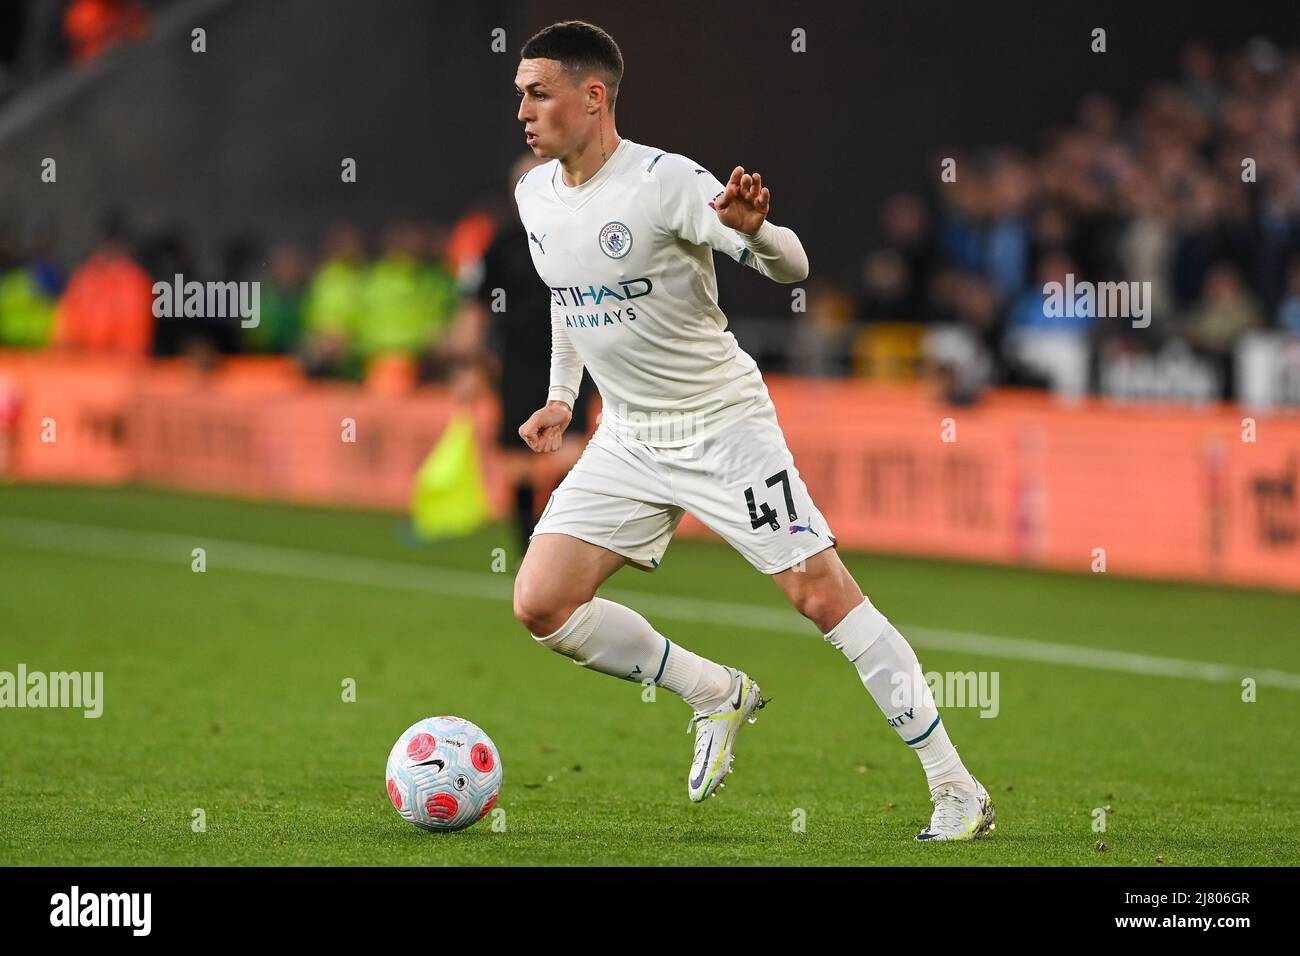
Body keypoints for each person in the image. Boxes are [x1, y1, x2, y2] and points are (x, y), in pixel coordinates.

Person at [510, 20, 994, 841]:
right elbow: (568, 294)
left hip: (721, 427)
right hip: (627, 435)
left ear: (593, 98)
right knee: (542, 603)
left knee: (821, 596)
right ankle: (714, 692)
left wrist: (756, 230)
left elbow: (795, 266)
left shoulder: (666, 183)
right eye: (519, 92)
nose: (521, 109)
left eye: (537, 92)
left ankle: (956, 787)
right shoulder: (534, 195)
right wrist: (562, 395)